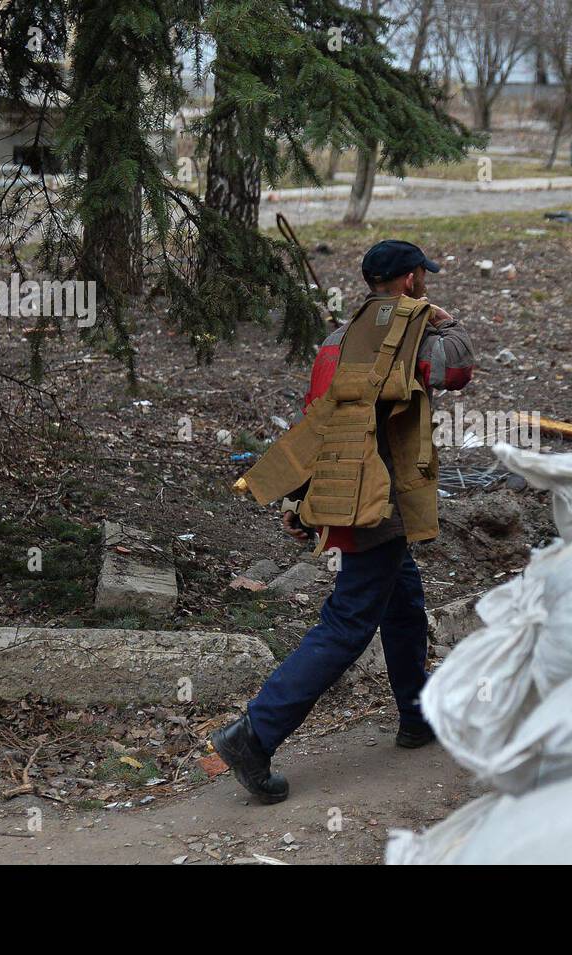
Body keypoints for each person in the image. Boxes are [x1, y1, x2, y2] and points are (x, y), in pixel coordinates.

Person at [212, 239, 474, 803]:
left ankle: (414, 715)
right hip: (376, 502)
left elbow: (316, 421)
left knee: (403, 604)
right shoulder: (415, 332)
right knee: (348, 624)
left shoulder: (337, 338)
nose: (423, 283)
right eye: (420, 276)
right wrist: (447, 326)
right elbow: (457, 372)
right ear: (409, 280)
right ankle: (254, 735)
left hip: (348, 493)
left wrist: (301, 500)